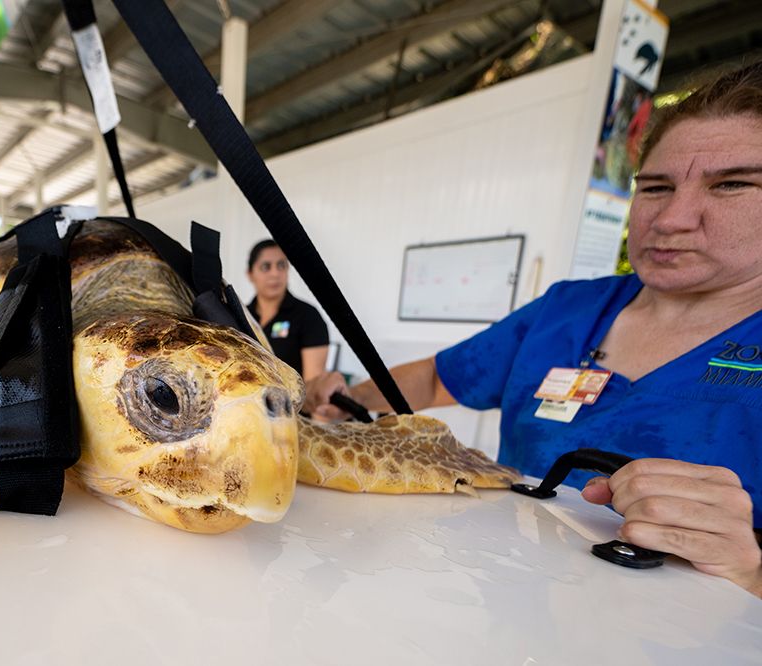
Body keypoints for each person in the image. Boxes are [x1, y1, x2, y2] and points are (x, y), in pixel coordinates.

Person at [305, 60, 762, 597]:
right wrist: (349, 396)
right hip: (507, 604)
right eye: (656, 188)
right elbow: (434, 380)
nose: (671, 219)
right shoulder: (567, 309)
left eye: (730, 185)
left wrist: (750, 572)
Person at [246, 240, 329, 381]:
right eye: (266, 267)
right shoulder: (242, 315)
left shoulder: (308, 316)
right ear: (250, 274)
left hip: (293, 402)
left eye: (281, 265)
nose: (275, 273)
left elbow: (313, 383)